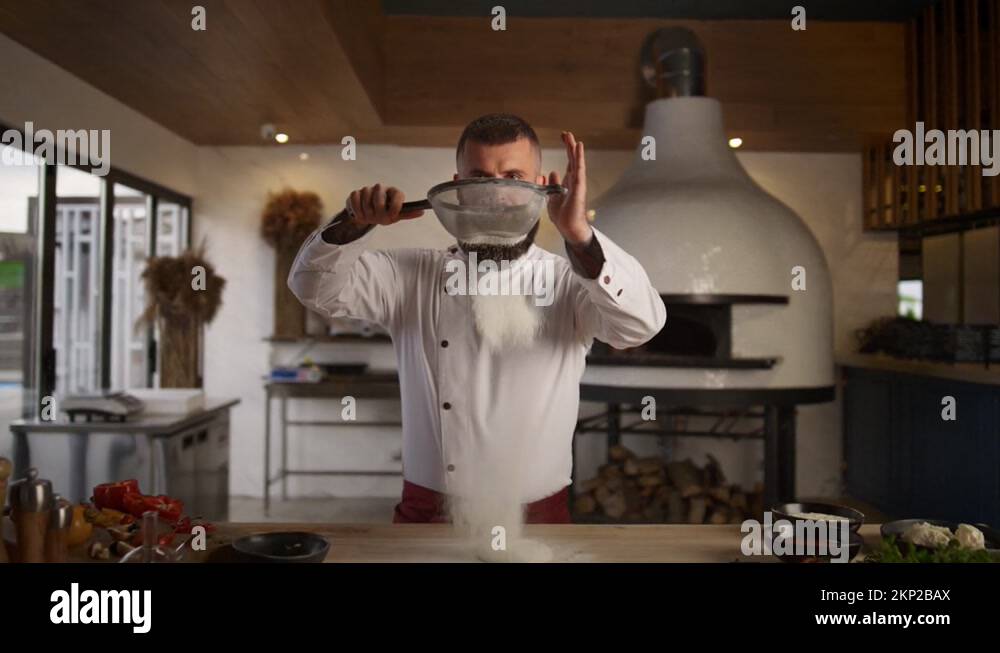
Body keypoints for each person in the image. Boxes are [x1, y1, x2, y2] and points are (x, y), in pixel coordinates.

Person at [288, 113, 666, 523]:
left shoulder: (569, 280)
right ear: (458, 188)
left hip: (538, 515)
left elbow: (639, 326)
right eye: (480, 178)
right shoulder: (410, 275)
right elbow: (312, 288)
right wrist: (351, 224)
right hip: (429, 512)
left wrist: (579, 236)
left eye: (513, 176)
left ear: (541, 187)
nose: (494, 193)